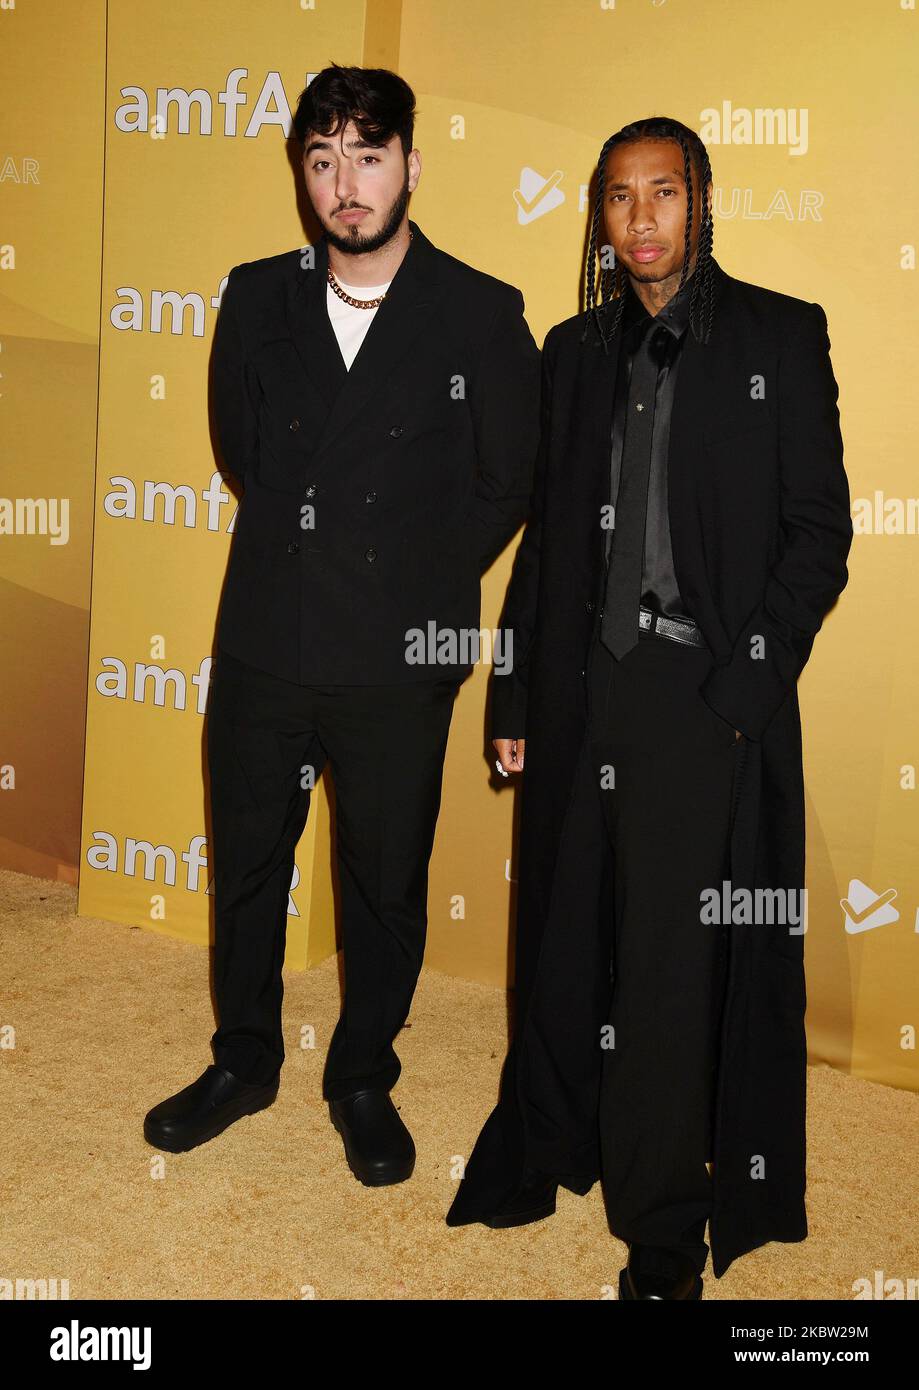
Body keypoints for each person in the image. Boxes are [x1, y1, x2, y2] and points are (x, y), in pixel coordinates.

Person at [446, 116, 853, 1299]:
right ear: (600, 212)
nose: (640, 219)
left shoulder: (782, 335)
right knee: (564, 935)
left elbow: (816, 536)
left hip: (700, 694)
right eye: (619, 197)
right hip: (581, 690)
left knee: (673, 976)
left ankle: (664, 1222)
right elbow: (540, 548)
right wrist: (515, 690)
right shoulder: (570, 353)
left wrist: (742, 686)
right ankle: (550, 1145)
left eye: (662, 193)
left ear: (701, 199)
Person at [143, 64, 541, 1186]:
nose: (345, 183)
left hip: (397, 656)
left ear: (410, 163)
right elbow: (241, 449)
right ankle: (245, 1058)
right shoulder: (255, 292)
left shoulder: (478, 309)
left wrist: (404, 579)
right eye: (322, 160)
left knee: (383, 879)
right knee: (247, 865)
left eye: (367, 156)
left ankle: (362, 1073)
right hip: (268, 632)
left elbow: (504, 482)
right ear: (303, 176)